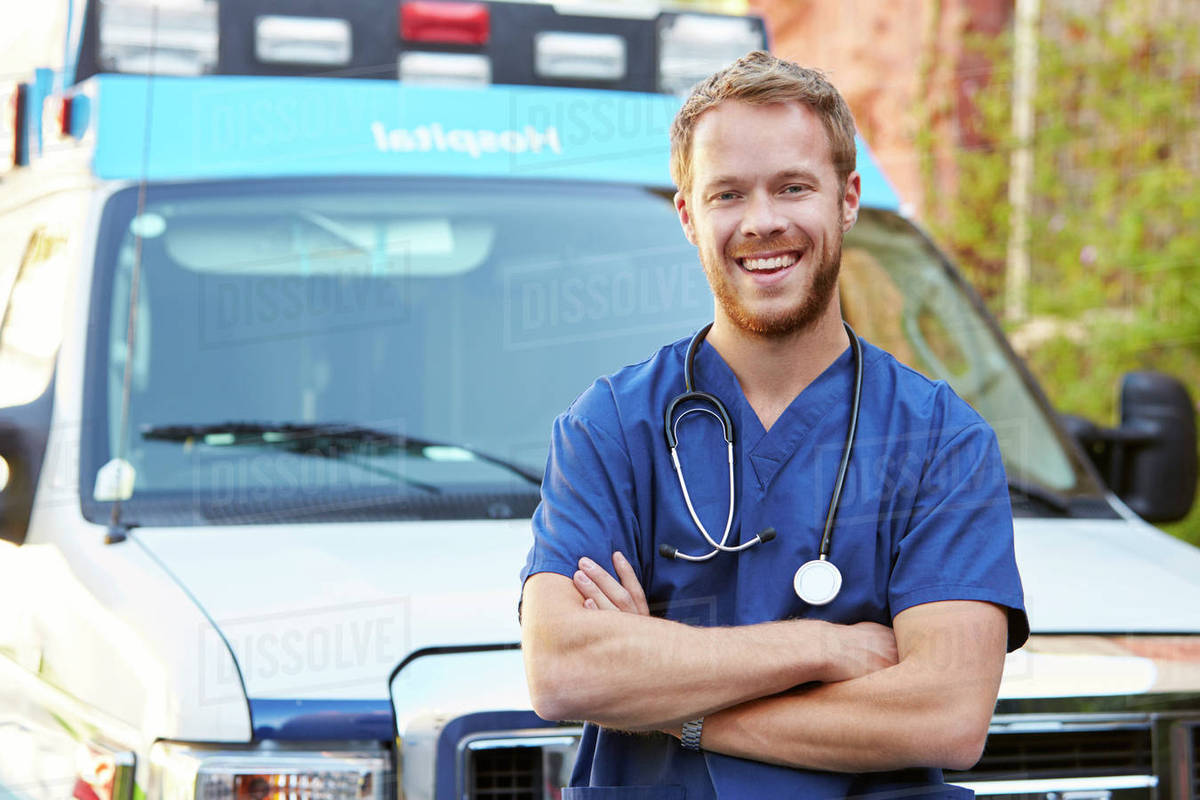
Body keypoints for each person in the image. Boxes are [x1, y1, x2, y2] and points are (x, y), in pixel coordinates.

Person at [519, 51, 1028, 799]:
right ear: (689, 215)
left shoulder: (940, 441)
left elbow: (945, 714)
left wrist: (674, 709)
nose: (762, 223)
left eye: (793, 187)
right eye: (727, 194)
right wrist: (821, 647)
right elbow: (564, 671)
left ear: (847, 199)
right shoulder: (611, 428)